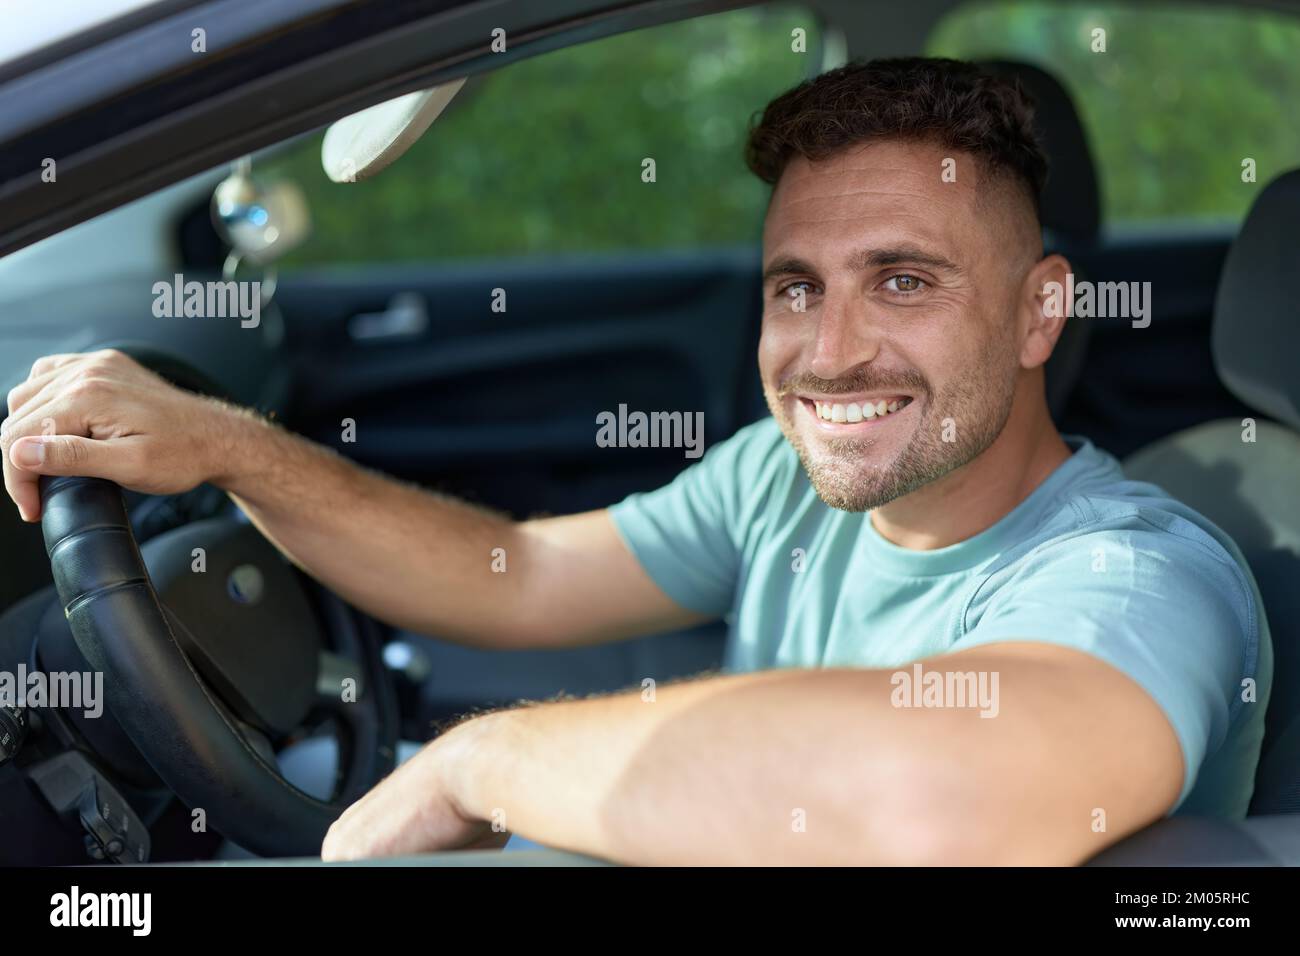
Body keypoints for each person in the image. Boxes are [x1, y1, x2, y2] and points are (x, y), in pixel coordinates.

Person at [0, 58, 1270, 865]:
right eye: (795, 286)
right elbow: (517, 577)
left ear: (1042, 310)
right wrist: (231, 448)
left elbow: (944, 798)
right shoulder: (789, 476)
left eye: (902, 280)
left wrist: (479, 761)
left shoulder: (1136, 574)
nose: (829, 353)